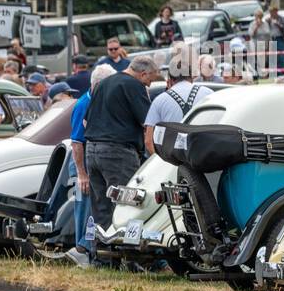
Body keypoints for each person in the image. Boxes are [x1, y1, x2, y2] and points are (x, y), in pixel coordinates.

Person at [83, 57, 155, 231]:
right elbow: (147, 121)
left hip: (92, 150)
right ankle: (123, 251)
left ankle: (101, 253)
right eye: (150, 80)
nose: (150, 85)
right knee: (124, 205)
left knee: (101, 207)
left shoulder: (102, 83)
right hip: (118, 152)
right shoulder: (134, 85)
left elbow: (85, 120)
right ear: (143, 73)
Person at [67, 62, 117, 268]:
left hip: (92, 162)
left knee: (94, 210)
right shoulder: (84, 104)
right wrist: (82, 174)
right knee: (84, 210)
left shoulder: (99, 101)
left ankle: (92, 249)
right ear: (98, 85)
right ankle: (83, 251)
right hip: (83, 165)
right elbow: (77, 142)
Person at [143, 58, 215, 155]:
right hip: (205, 157)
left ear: (170, 79)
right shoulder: (209, 94)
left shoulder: (159, 100)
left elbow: (148, 141)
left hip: (173, 160)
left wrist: (160, 164)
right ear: (192, 77)